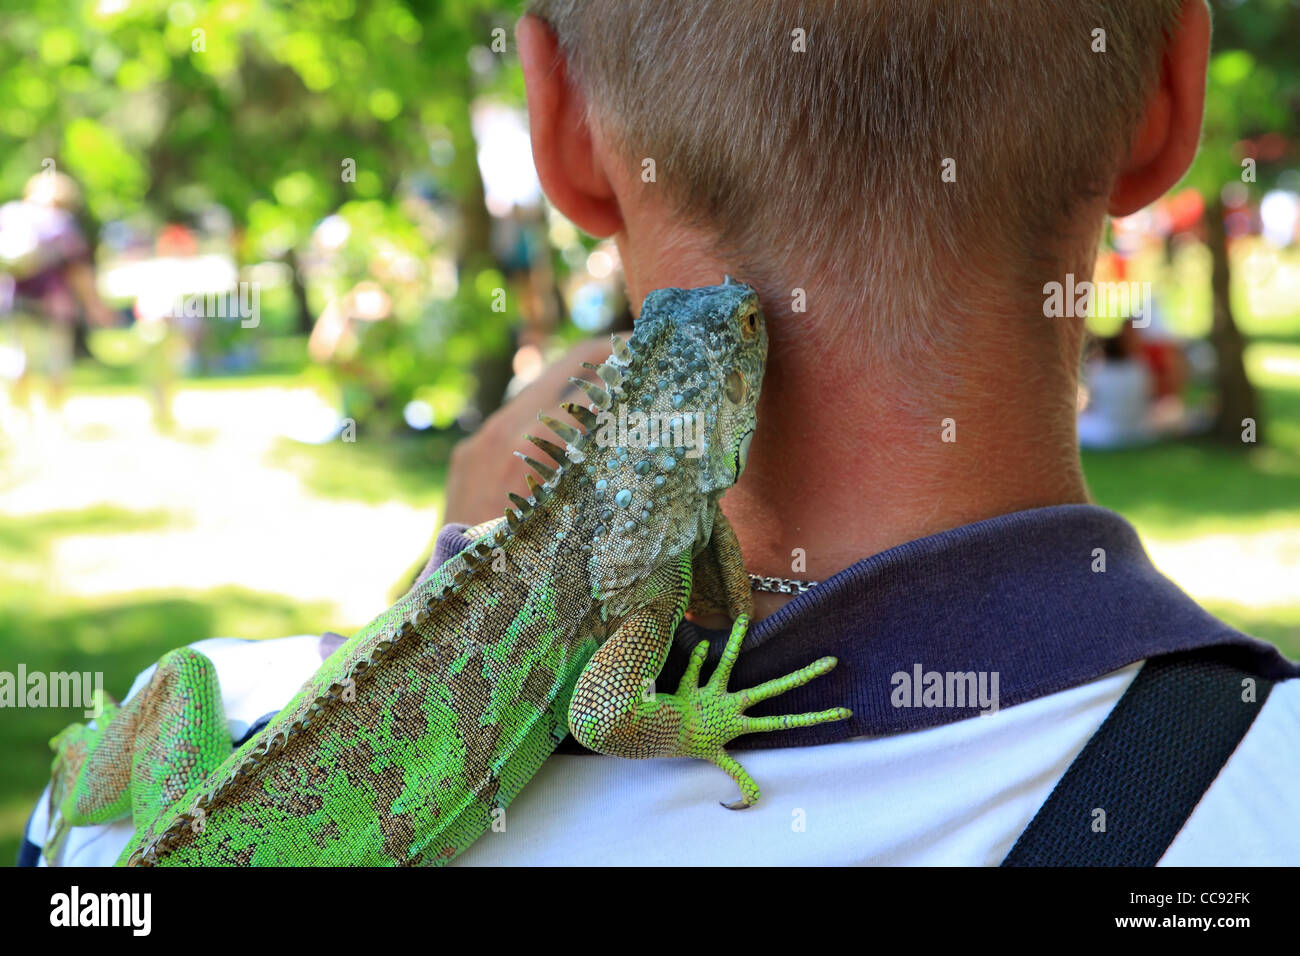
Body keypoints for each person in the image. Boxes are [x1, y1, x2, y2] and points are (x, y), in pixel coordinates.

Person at [24, 0, 1300, 866]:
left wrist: (437, 577)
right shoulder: (1264, 794)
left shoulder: (164, 745)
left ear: (560, 131)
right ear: (1170, 98)